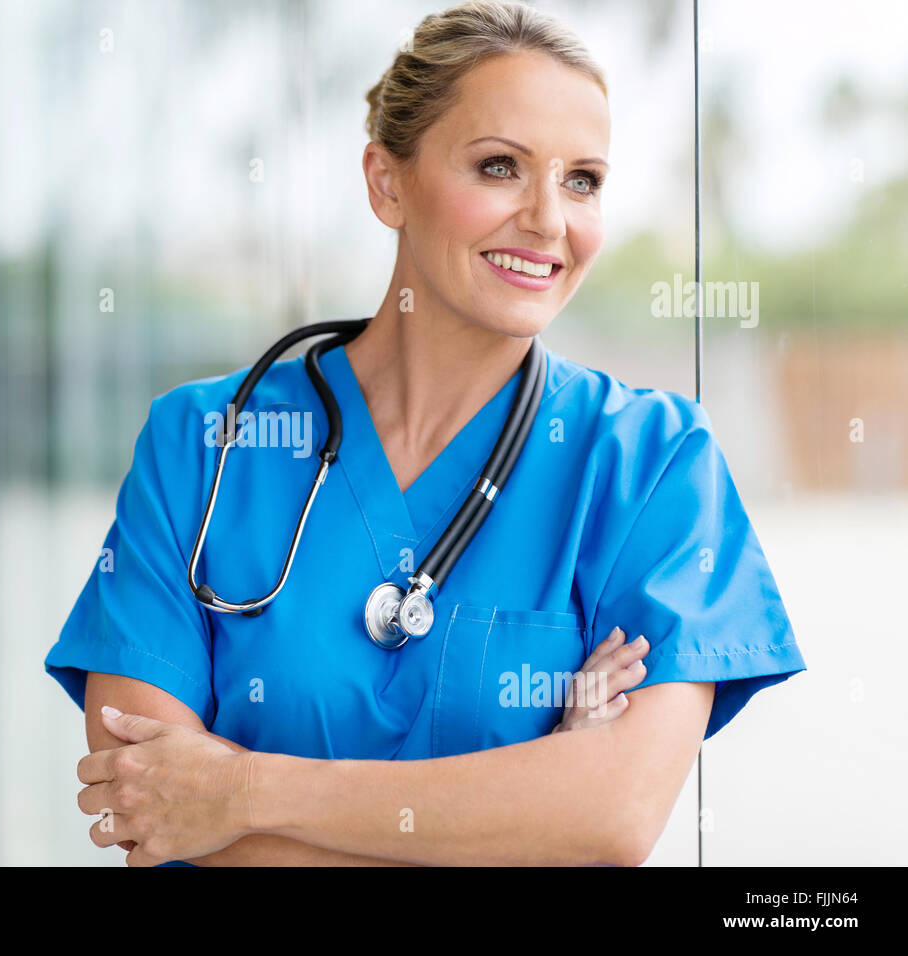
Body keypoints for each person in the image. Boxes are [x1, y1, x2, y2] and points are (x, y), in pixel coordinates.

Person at [44, 0, 805, 866]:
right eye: (499, 167)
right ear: (386, 182)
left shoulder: (651, 464)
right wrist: (528, 806)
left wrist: (242, 794)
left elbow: (614, 814)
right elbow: (147, 803)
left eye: (583, 179)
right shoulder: (204, 445)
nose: (550, 221)